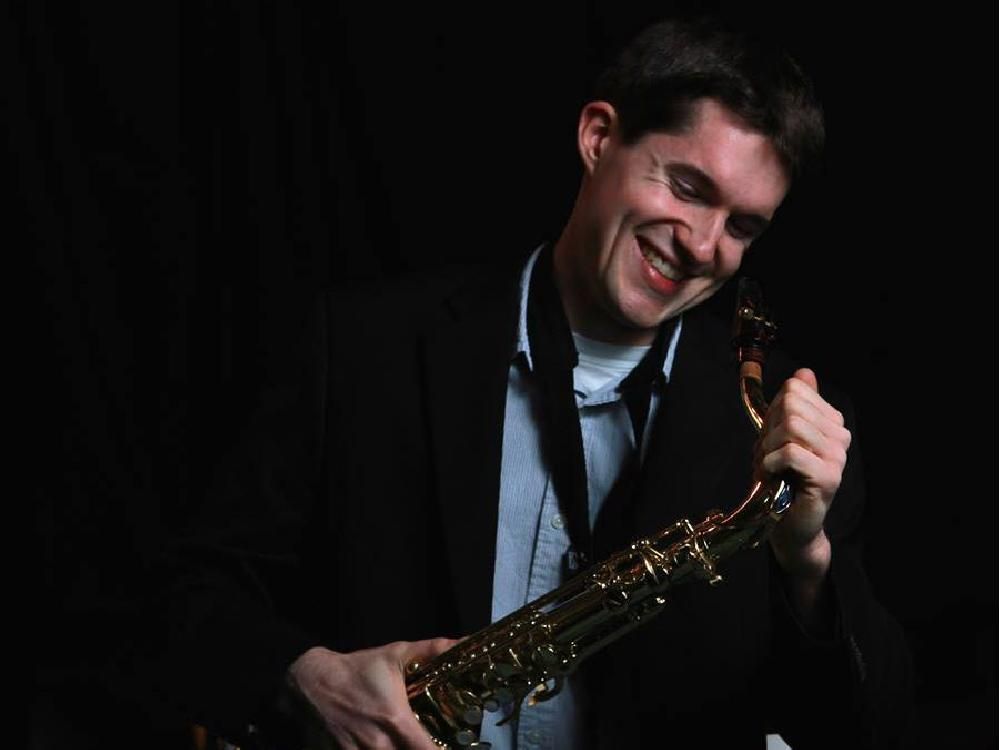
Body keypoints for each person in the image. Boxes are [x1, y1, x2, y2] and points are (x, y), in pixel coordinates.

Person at [148, 16, 914, 749]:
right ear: (598, 138)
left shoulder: (784, 430)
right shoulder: (361, 346)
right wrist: (302, 680)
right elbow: (184, 604)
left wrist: (807, 560)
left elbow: (864, 728)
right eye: (687, 187)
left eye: (743, 226)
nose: (703, 245)